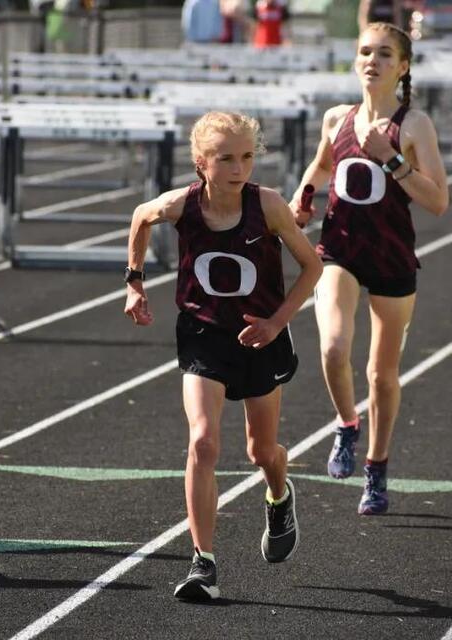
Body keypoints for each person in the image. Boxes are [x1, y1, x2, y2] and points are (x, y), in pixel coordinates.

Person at [124, 111, 322, 601]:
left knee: (261, 452)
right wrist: (134, 283)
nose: (238, 168)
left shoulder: (268, 205)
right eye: (226, 158)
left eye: (247, 157)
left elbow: (312, 267)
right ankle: (203, 563)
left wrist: (276, 322)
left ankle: (279, 494)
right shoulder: (181, 205)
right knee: (203, 442)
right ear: (201, 162)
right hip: (203, 335)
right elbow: (141, 216)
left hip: (259, 339)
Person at [289, 22, 449, 516]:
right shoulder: (337, 118)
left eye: (384, 54)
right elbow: (321, 166)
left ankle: (376, 469)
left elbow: (438, 200)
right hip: (339, 249)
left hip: (392, 257)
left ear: (402, 67)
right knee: (333, 347)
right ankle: (346, 425)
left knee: (381, 375)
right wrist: (302, 196)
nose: (372, 61)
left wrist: (392, 159)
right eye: (365, 52)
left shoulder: (414, 125)